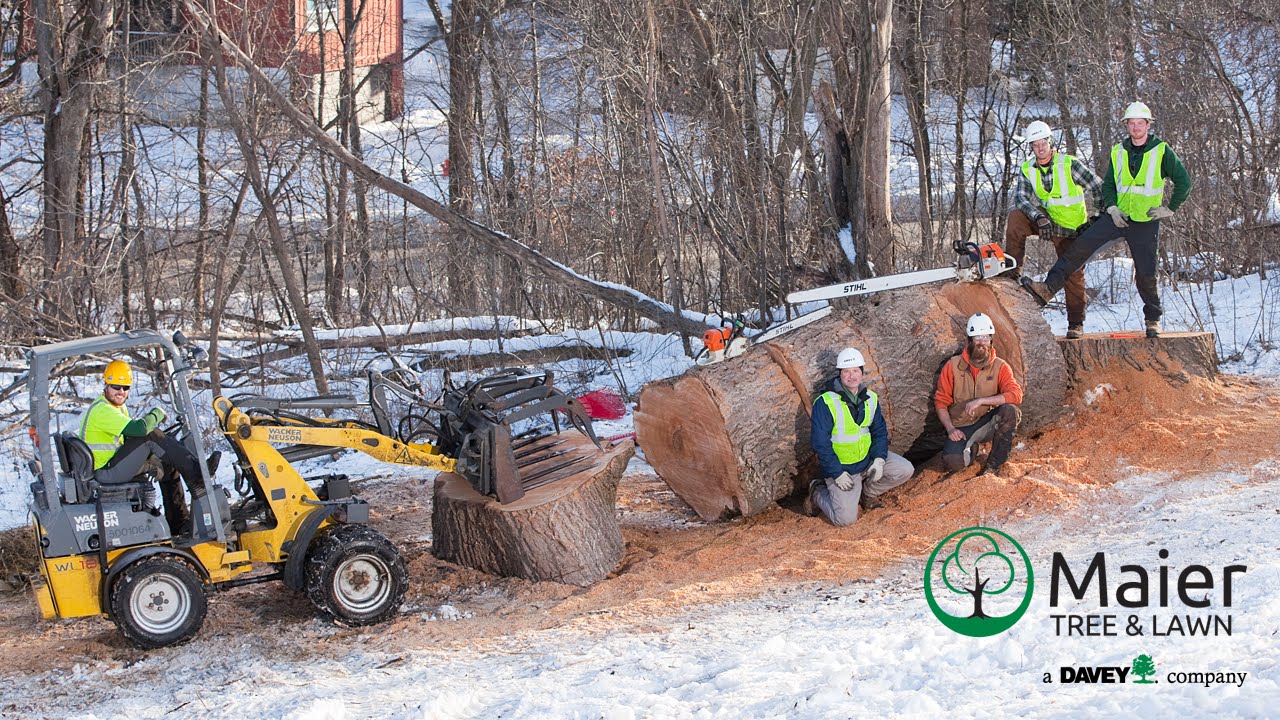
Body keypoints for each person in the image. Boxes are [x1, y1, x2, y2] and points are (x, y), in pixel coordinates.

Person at [1022, 102, 1193, 338]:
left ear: (1148, 125)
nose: (1135, 128)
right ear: (1126, 126)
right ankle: (1047, 288)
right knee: (1079, 248)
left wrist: (1170, 208)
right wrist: (1111, 207)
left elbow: (1184, 181)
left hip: (1145, 220)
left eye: (1139, 123)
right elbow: (1110, 184)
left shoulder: (1161, 151)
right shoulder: (1118, 151)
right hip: (1117, 216)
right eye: (1131, 124)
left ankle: (1153, 319)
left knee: (1146, 272)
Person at [1004, 120, 1104, 339]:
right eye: (1035, 144)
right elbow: (1020, 198)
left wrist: (1098, 217)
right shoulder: (1027, 169)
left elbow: (1098, 187)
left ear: (1050, 142)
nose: (1040, 148)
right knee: (1016, 217)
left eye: (1043, 143)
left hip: (1072, 228)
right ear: (1030, 147)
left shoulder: (1069, 164)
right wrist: (1038, 217)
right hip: (1047, 222)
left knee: (1073, 272)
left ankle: (1075, 323)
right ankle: (1012, 270)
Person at [78, 359, 204, 534]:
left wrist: (155, 456)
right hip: (105, 471)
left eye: (126, 388)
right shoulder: (103, 410)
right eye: (116, 386)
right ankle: (198, 472)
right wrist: (157, 413)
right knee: (150, 435)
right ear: (106, 385)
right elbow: (140, 429)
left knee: (167, 461)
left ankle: (178, 521)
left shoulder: (115, 407)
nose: (121, 392)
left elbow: (129, 435)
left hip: (110, 465)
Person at [805, 347, 914, 526]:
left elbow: (879, 431)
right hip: (842, 469)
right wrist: (837, 473)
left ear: (862, 373)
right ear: (840, 374)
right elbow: (820, 443)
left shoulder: (870, 398)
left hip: (866, 460)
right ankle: (817, 491)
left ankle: (868, 493)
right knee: (845, 520)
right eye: (846, 371)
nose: (851, 376)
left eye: (856, 370)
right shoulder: (826, 402)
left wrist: (879, 459)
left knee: (904, 469)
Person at [932, 314, 1023, 475]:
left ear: (991, 340)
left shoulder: (1000, 366)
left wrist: (981, 401)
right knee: (954, 463)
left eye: (986, 338)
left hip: (987, 423)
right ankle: (971, 447)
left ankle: (994, 466)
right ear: (970, 340)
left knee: (1010, 411)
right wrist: (951, 429)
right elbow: (941, 402)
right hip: (961, 427)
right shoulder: (952, 366)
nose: (982, 342)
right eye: (977, 338)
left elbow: (1016, 394)